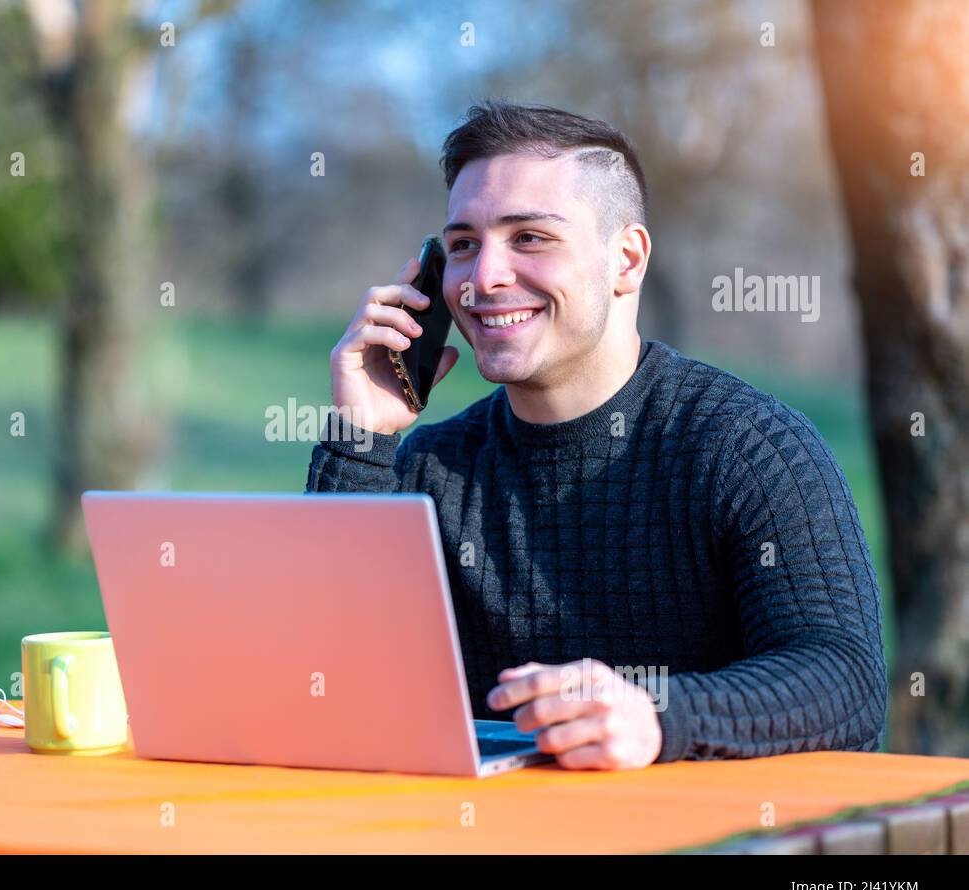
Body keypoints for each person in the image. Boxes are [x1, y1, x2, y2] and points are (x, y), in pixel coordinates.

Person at [305, 100, 888, 770]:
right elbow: (323, 687)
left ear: (627, 260)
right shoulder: (427, 470)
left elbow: (846, 682)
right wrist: (361, 438)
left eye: (529, 237)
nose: (484, 277)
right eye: (463, 244)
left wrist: (659, 717)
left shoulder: (749, 449)